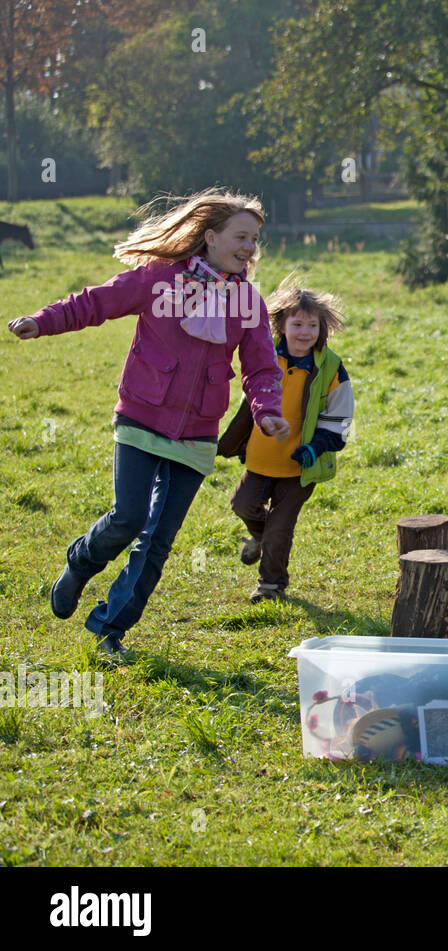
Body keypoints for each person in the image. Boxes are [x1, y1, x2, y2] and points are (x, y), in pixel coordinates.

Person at [6, 188, 287, 654]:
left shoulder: (247, 303)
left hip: (197, 433)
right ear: (211, 236)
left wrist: (268, 411)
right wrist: (43, 321)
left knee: (156, 541)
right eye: (242, 236)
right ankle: (81, 562)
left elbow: (261, 369)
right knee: (128, 519)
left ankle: (109, 630)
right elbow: (97, 302)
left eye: (255, 240)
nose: (250, 248)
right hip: (141, 417)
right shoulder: (161, 279)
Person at [218, 280, 354, 602]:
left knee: (280, 527)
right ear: (281, 324)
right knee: (242, 504)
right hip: (261, 458)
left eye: (312, 325)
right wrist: (240, 443)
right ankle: (259, 537)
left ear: (323, 329)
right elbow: (248, 401)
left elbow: (340, 414)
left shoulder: (332, 367)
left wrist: (315, 447)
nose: (305, 332)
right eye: (297, 324)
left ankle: (271, 585)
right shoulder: (264, 357)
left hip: (299, 465)